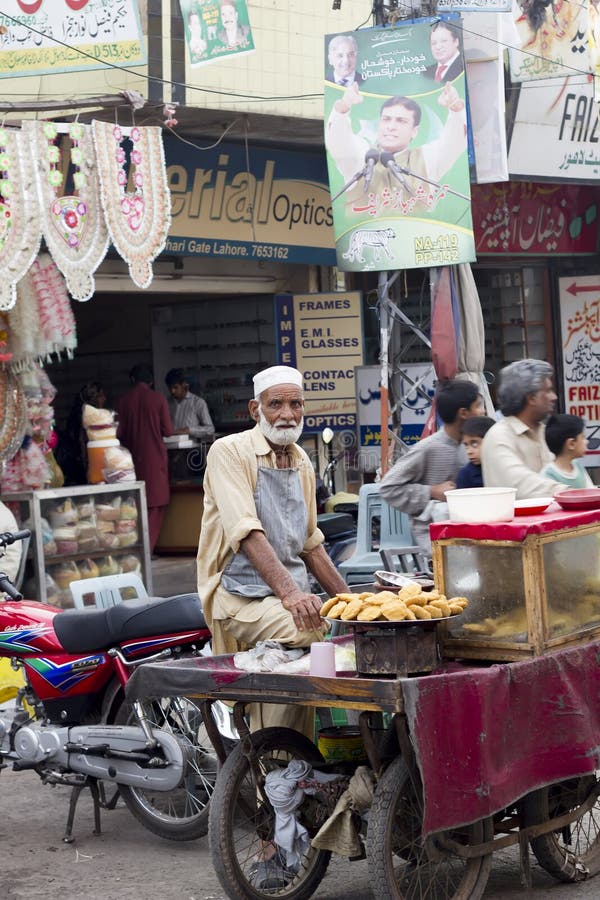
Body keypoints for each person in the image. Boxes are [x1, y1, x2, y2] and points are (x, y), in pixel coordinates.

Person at [196, 364, 348, 736]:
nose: (287, 414)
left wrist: (355, 606)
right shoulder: (228, 452)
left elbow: (310, 543)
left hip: (283, 599)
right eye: (275, 404)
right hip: (237, 595)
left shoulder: (301, 460)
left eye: (295, 404)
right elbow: (246, 532)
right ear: (255, 409)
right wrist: (293, 593)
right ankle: (272, 765)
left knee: (326, 649)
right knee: (317, 631)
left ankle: (286, 776)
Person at [379, 379, 484, 558]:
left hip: (473, 534)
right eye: (479, 406)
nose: (483, 411)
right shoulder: (428, 448)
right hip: (439, 544)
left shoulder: (478, 444)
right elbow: (388, 487)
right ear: (464, 413)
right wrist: (431, 491)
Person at [325, 80, 467, 211]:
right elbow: (338, 140)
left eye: (401, 121)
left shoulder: (426, 159)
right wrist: (343, 107)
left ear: (414, 131)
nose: (391, 127)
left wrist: (455, 108)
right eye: (386, 119)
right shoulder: (362, 156)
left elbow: (454, 141)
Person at [481, 359, 567, 499]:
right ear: (532, 398)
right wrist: (571, 493)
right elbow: (522, 486)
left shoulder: (546, 432)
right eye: (548, 391)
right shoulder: (499, 437)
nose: (554, 397)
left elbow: (571, 471)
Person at [117, 364, 174, 553]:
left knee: (134, 505)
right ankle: (146, 549)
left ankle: (135, 545)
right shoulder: (157, 399)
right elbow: (168, 430)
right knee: (156, 505)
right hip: (154, 458)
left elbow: (120, 433)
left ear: (133, 380)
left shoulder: (123, 401)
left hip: (129, 461)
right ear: (150, 381)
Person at [61, 382, 108, 485]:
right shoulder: (90, 418)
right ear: (94, 398)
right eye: (101, 396)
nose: (104, 399)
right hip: (85, 468)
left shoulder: (78, 415)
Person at [542, 413, 595, 489]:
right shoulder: (549, 474)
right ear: (571, 444)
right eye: (583, 437)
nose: (587, 441)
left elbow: (591, 490)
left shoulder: (577, 466)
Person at [165, 368, 215, 440]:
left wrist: (189, 430)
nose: (172, 391)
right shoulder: (167, 403)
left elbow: (210, 429)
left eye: (175, 387)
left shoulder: (198, 402)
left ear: (184, 384)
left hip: (191, 447)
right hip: (170, 446)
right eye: (170, 388)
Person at [456, 416, 496, 488]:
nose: (469, 451)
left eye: (474, 444)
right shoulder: (465, 475)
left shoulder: (504, 466)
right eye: (466, 445)